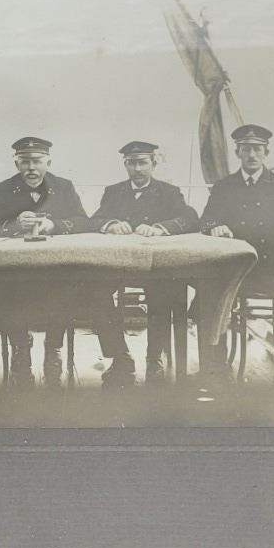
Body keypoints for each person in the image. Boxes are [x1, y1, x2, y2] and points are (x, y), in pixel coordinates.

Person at [201, 123, 274, 382]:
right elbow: (205, 221)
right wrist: (215, 227)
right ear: (237, 153)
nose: (251, 155)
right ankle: (216, 367)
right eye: (246, 149)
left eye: (257, 149)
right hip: (234, 271)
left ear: (266, 152)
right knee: (206, 294)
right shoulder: (223, 187)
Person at [91, 140, 199, 386]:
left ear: (154, 163)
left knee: (165, 292)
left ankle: (155, 359)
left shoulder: (169, 192)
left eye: (142, 162)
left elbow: (190, 218)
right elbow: (94, 220)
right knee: (95, 292)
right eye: (132, 163)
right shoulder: (113, 191)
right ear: (125, 164)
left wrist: (161, 228)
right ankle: (120, 358)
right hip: (119, 265)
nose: (137, 169)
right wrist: (110, 225)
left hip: (155, 266)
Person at [0, 136, 89, 388]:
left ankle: (53, 347)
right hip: (17, 266)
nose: (31, 168)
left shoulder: (64, 186)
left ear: (48, 162)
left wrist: (55, 225)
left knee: (63, 289)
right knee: (8, 291)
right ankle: (20, 349)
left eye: (37, 161)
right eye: (25, 162)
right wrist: (13, 226)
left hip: (54, 264)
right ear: (16, 163)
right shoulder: (4, 188)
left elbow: (84, 221)